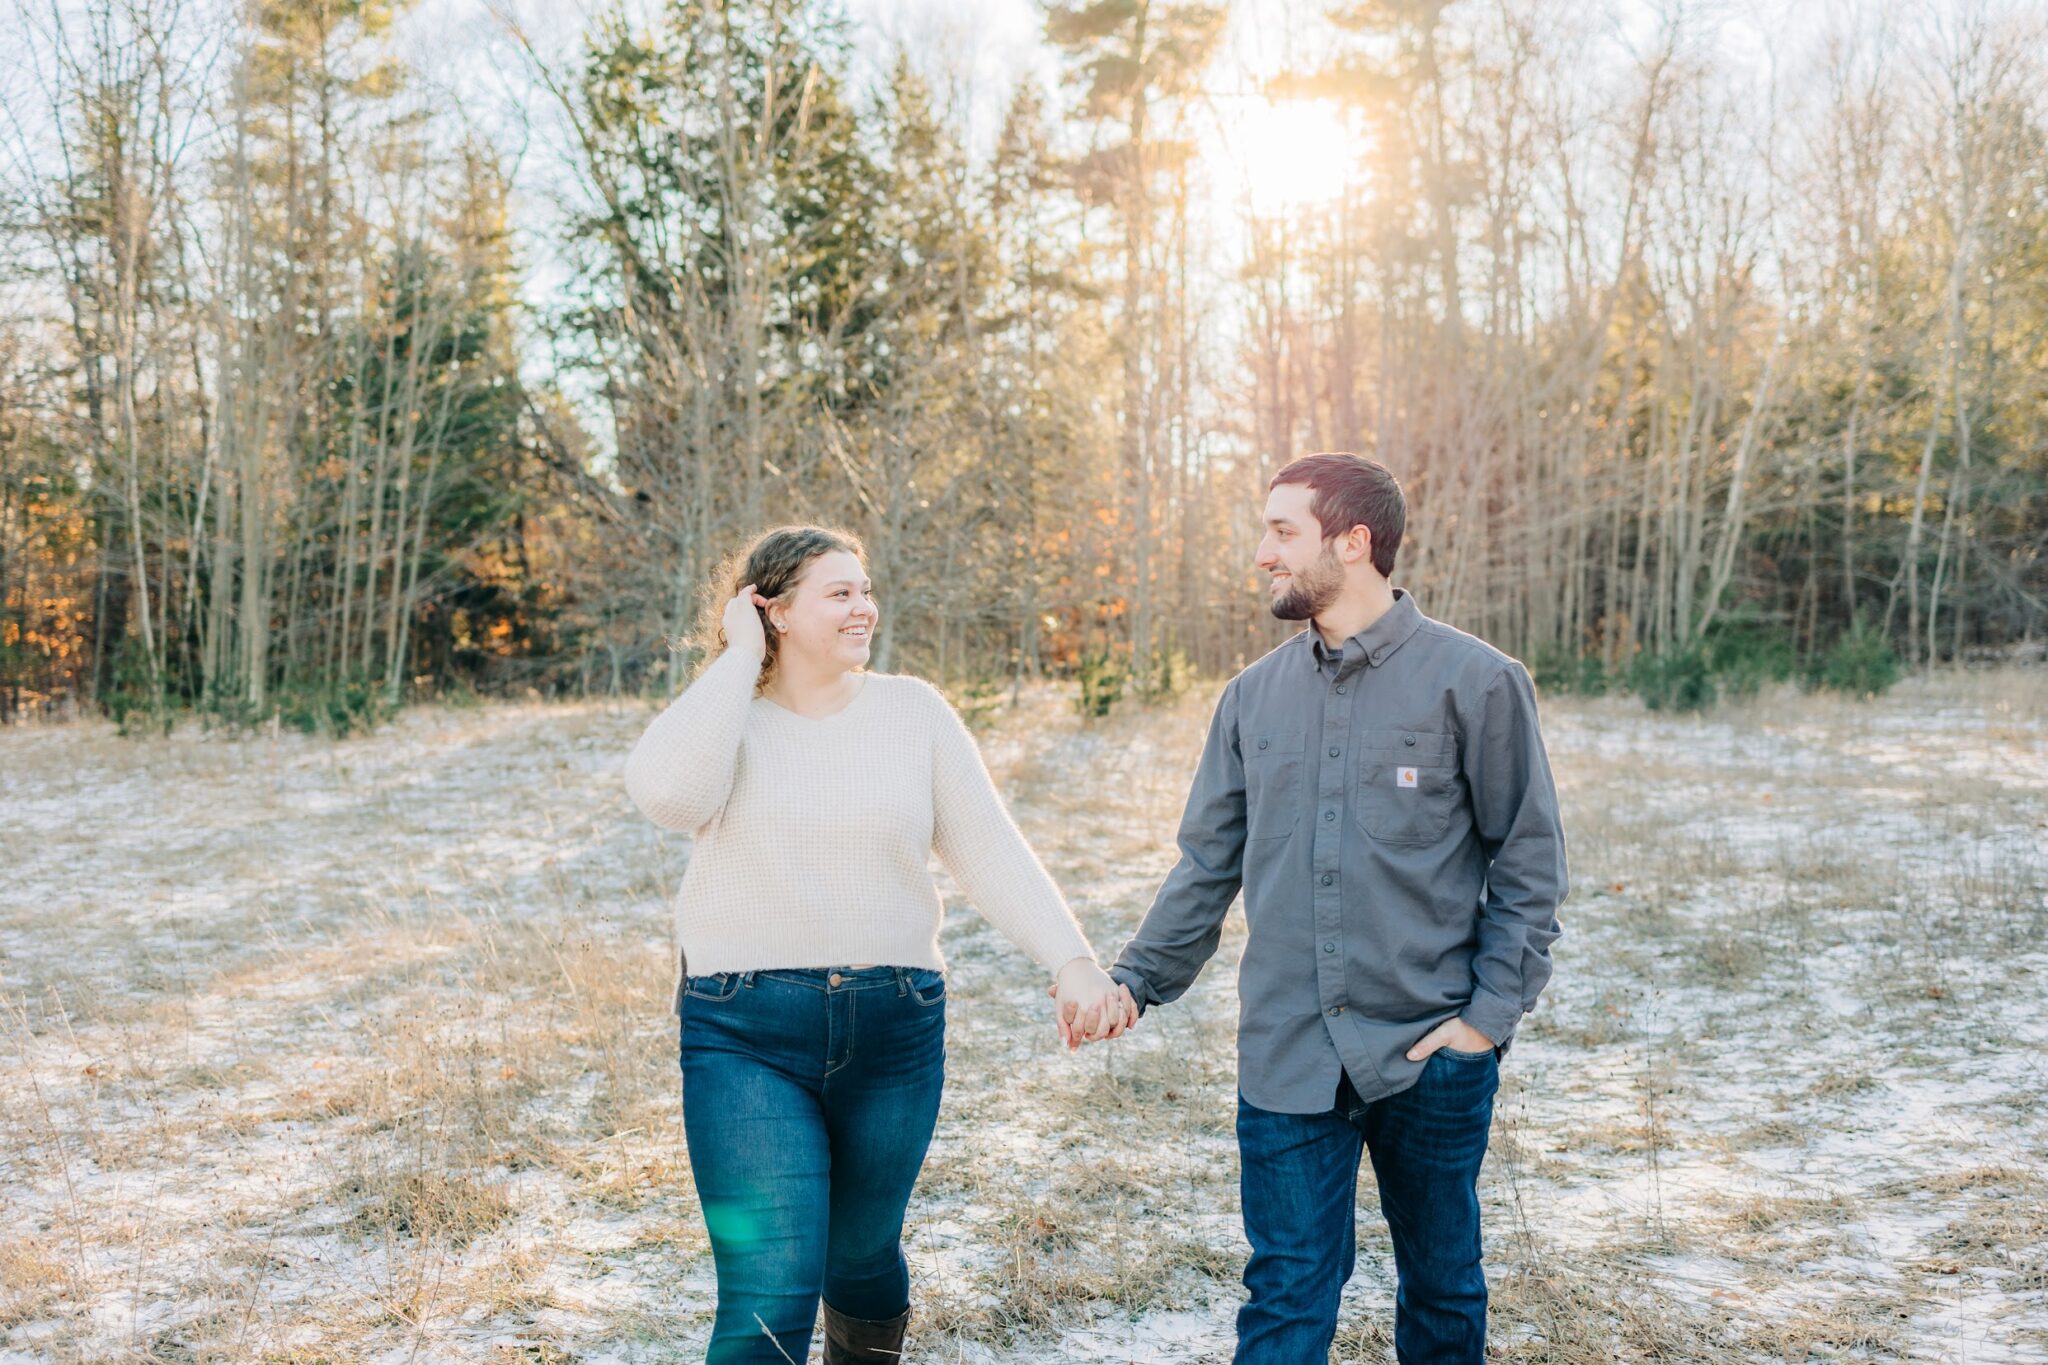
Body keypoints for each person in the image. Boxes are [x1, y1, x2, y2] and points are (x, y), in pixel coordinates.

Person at [624, 524, 1134, 1364]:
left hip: (895, 1030)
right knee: (770, 1284)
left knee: (859, 1257)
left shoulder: (913, 713)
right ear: (775, 611)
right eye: (840, 592)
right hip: (745, 1036)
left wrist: (1072, 959)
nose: (865, 608)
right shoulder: (725, 720)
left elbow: (990, 848)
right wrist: (734, 658)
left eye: (866, 590)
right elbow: (667, 797)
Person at [1104, 453, 1568, 1364]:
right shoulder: (1250, 699)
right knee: (1285, 1296)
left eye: (1283, 531)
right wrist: (1136, 981)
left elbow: (1528, 860)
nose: (1263, 552)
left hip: (1430, 1047)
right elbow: (1207, 866)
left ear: (1354, 542)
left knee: (1442, 1287)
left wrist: (1484, 1021)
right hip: (1285, 1051)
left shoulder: (1476, 682)